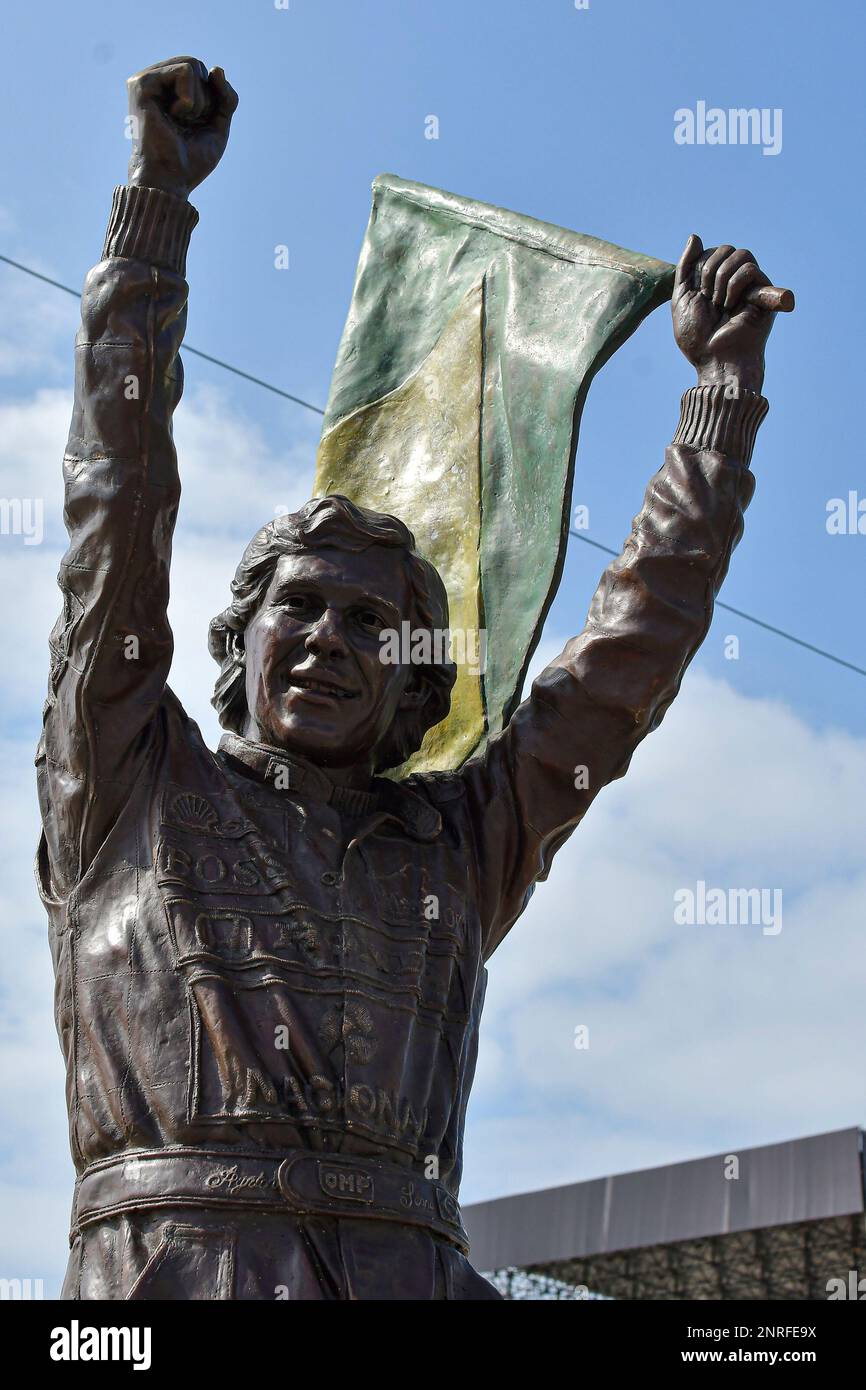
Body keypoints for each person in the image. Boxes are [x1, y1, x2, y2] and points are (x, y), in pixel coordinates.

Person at [37, 56, 784, 1299]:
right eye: (301, 609)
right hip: (165, 1283)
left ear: (415, 681)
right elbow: (116, 505)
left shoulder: (460, 837)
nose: (331, 638)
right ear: (242, 643)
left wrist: (719, 398)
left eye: (372, 624)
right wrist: (155, 211)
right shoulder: (127, 781)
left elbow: (626, 656)